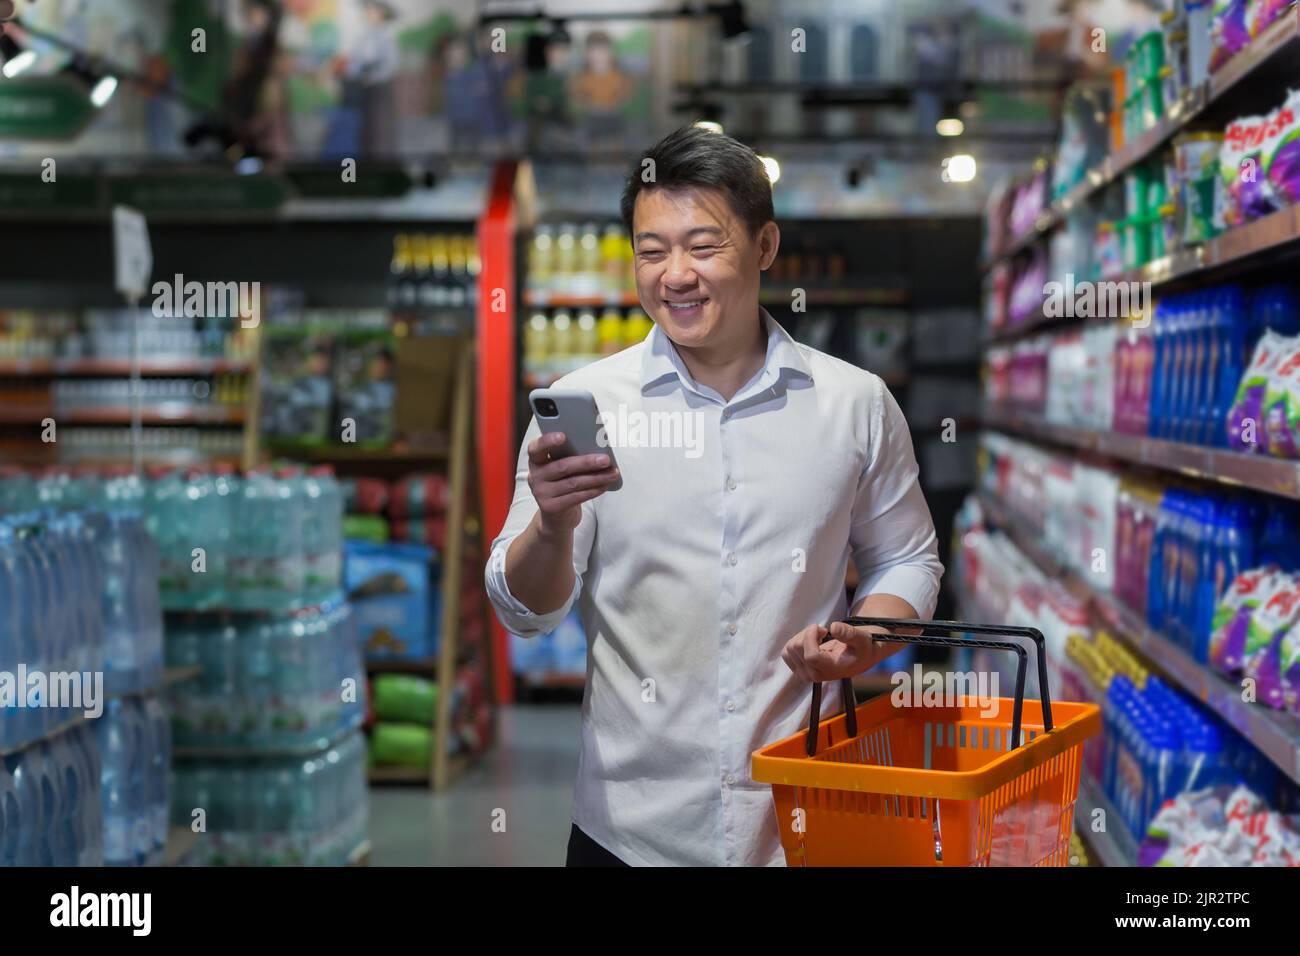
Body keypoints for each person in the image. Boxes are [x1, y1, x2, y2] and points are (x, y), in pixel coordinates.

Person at [485, 127, 944, 867]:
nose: (675, 275)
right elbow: (526, 611)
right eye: (651, 249)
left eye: (703, 245)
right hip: (626, 833)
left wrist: (870, 637)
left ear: (765, 246)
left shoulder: (854, 404)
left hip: (800, 822)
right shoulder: (585, 405)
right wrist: (552, 521)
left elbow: (907, 558)